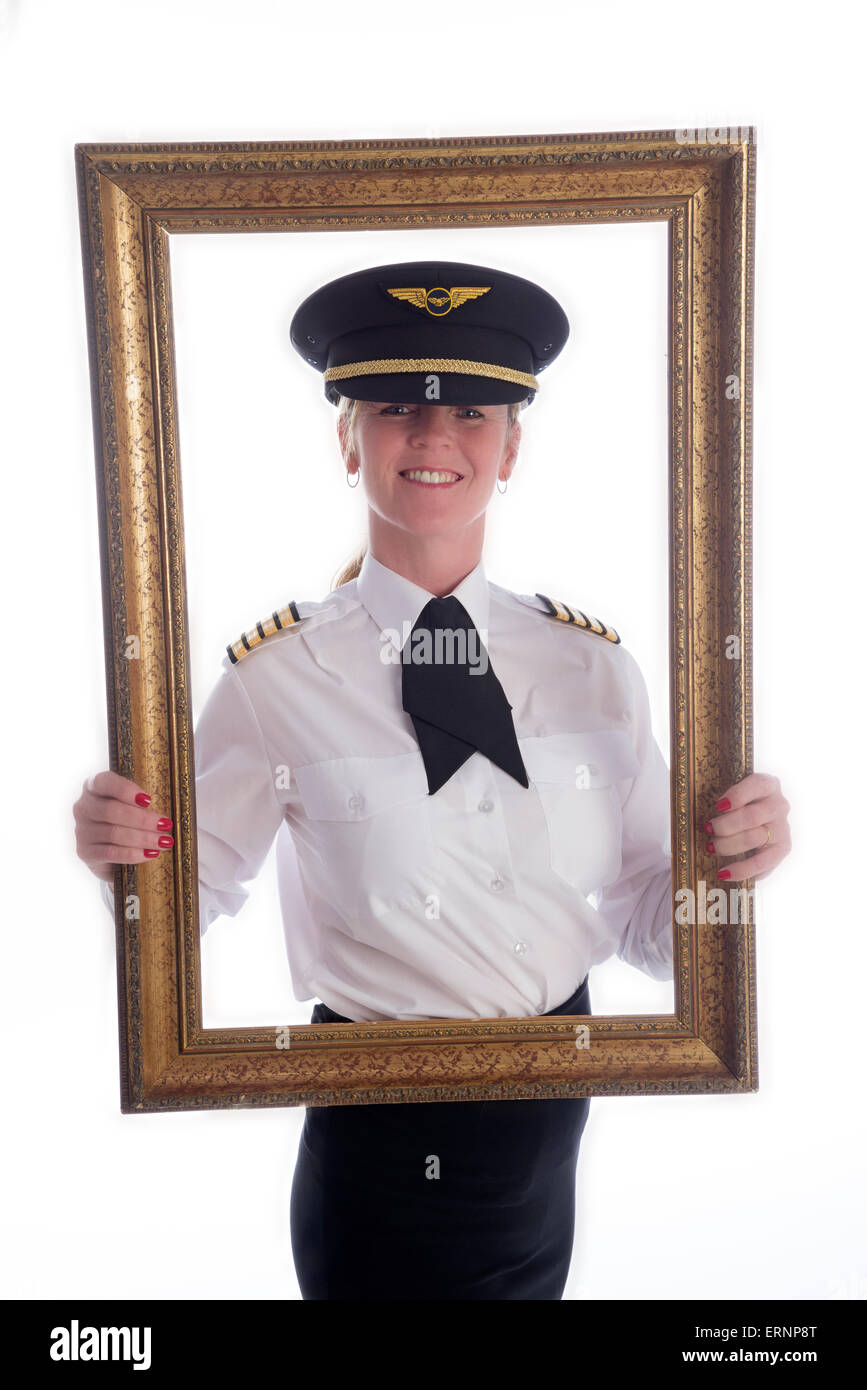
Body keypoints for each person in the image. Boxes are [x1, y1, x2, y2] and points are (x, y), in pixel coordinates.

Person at [73, 259, 792, 1300]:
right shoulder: (274, 680)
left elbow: (646, 920)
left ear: (512, 447)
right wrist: (122, 857)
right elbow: (184, 904)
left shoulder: (594, 669)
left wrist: (730, 869)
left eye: (472, 412)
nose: (435, 437)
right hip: (377, 1132)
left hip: (552, 1119)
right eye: (399, 406)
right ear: (346, 437)